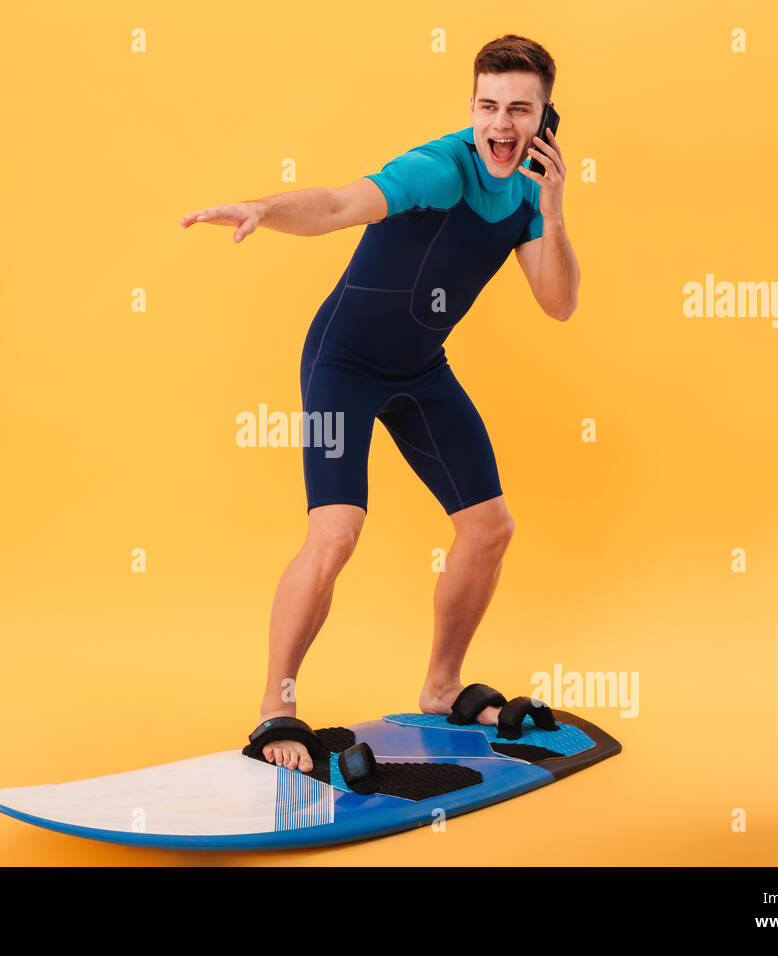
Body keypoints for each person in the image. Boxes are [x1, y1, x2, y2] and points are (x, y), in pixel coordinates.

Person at [179, 34, 580, 774]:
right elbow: (337, 205)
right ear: (471, 107)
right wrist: (262, 207)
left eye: (520, 110)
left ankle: (442, 686)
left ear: (545, 120)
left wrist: (553, 213)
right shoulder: (439, 169)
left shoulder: (529, 194)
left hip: (420, 370)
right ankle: (275, 709)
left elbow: (558, 303)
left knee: (489, 529)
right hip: (345, 364)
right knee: (336, 533)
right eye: (487, 106)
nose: (500, 124)